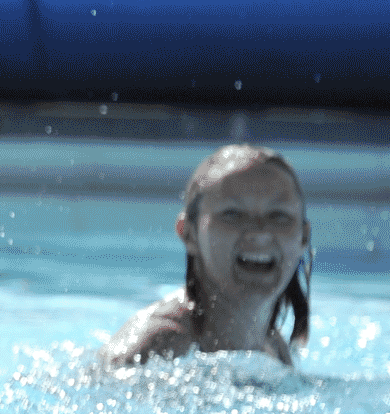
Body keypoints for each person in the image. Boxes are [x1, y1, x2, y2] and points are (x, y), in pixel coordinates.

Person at [103, 144, 311, 368]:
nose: (259, 233)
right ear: (189, 234)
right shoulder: (158, 348)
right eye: (233, 214)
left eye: (278, 216)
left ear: (304, 238)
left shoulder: (273, 347)